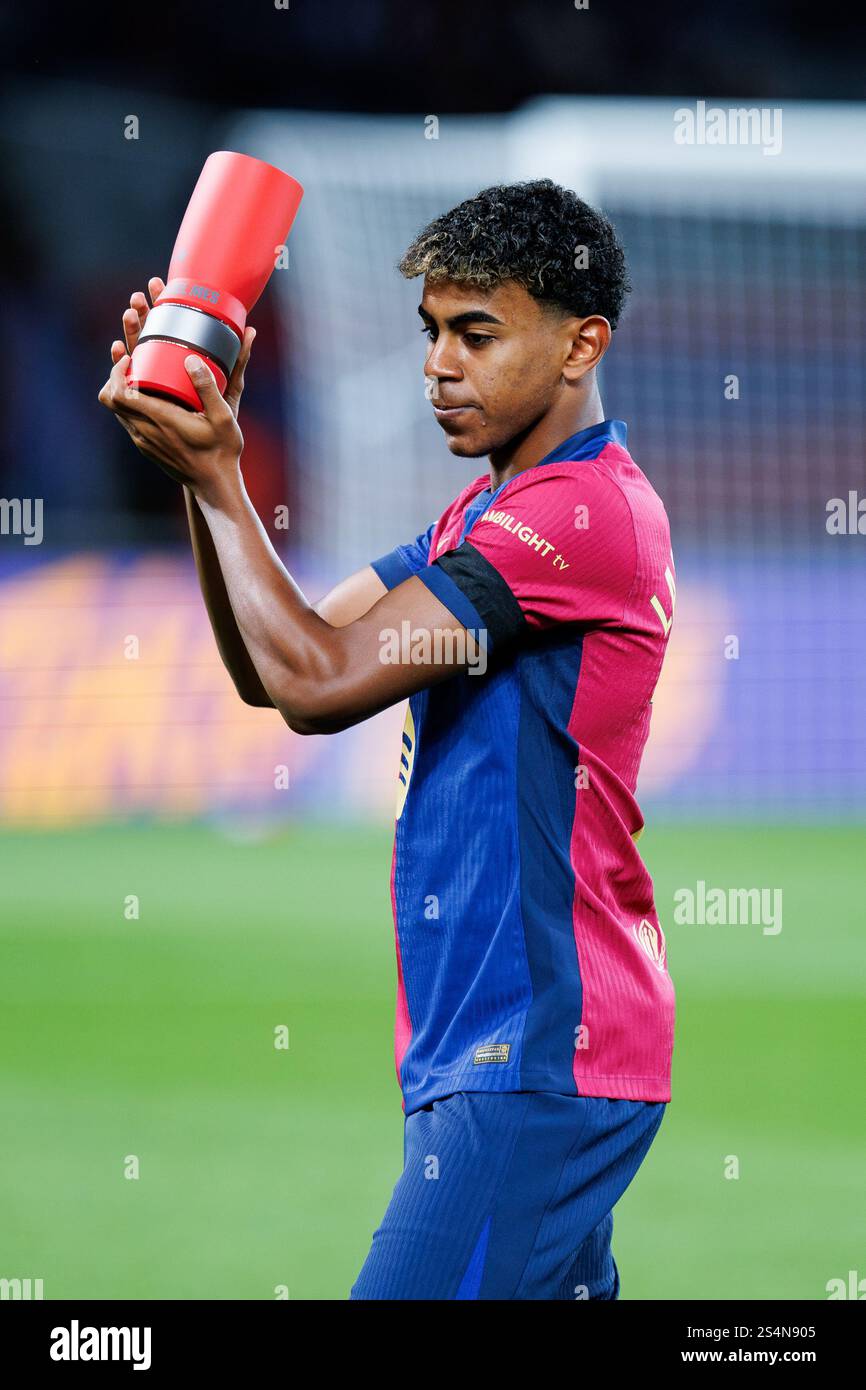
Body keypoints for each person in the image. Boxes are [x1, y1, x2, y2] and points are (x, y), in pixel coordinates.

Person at [99, 178, 676, 1301]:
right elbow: (278, 662)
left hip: (536, 1054)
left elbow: (318, 686)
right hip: (490, 1045)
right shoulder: (486, 514)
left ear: (579, 344)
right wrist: (195, 463)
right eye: (430, 333)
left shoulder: (577, 517)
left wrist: (220, 470)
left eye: (476, 333)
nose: (437, 365)